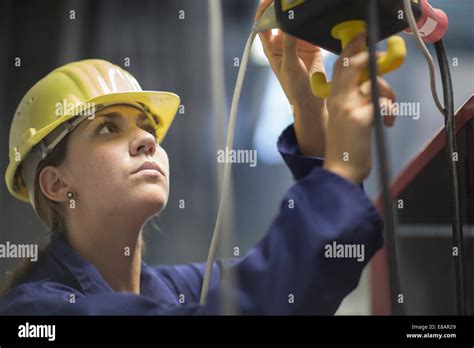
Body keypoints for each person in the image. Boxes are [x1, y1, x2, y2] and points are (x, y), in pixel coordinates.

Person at [0, 0, 396, 315]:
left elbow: (316, 270)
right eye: (108, 127)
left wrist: (309, 111)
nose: (145, 140)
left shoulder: (182, 291)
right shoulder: (35, 312)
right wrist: (340, 172)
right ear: (56, 184)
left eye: (147, 128)